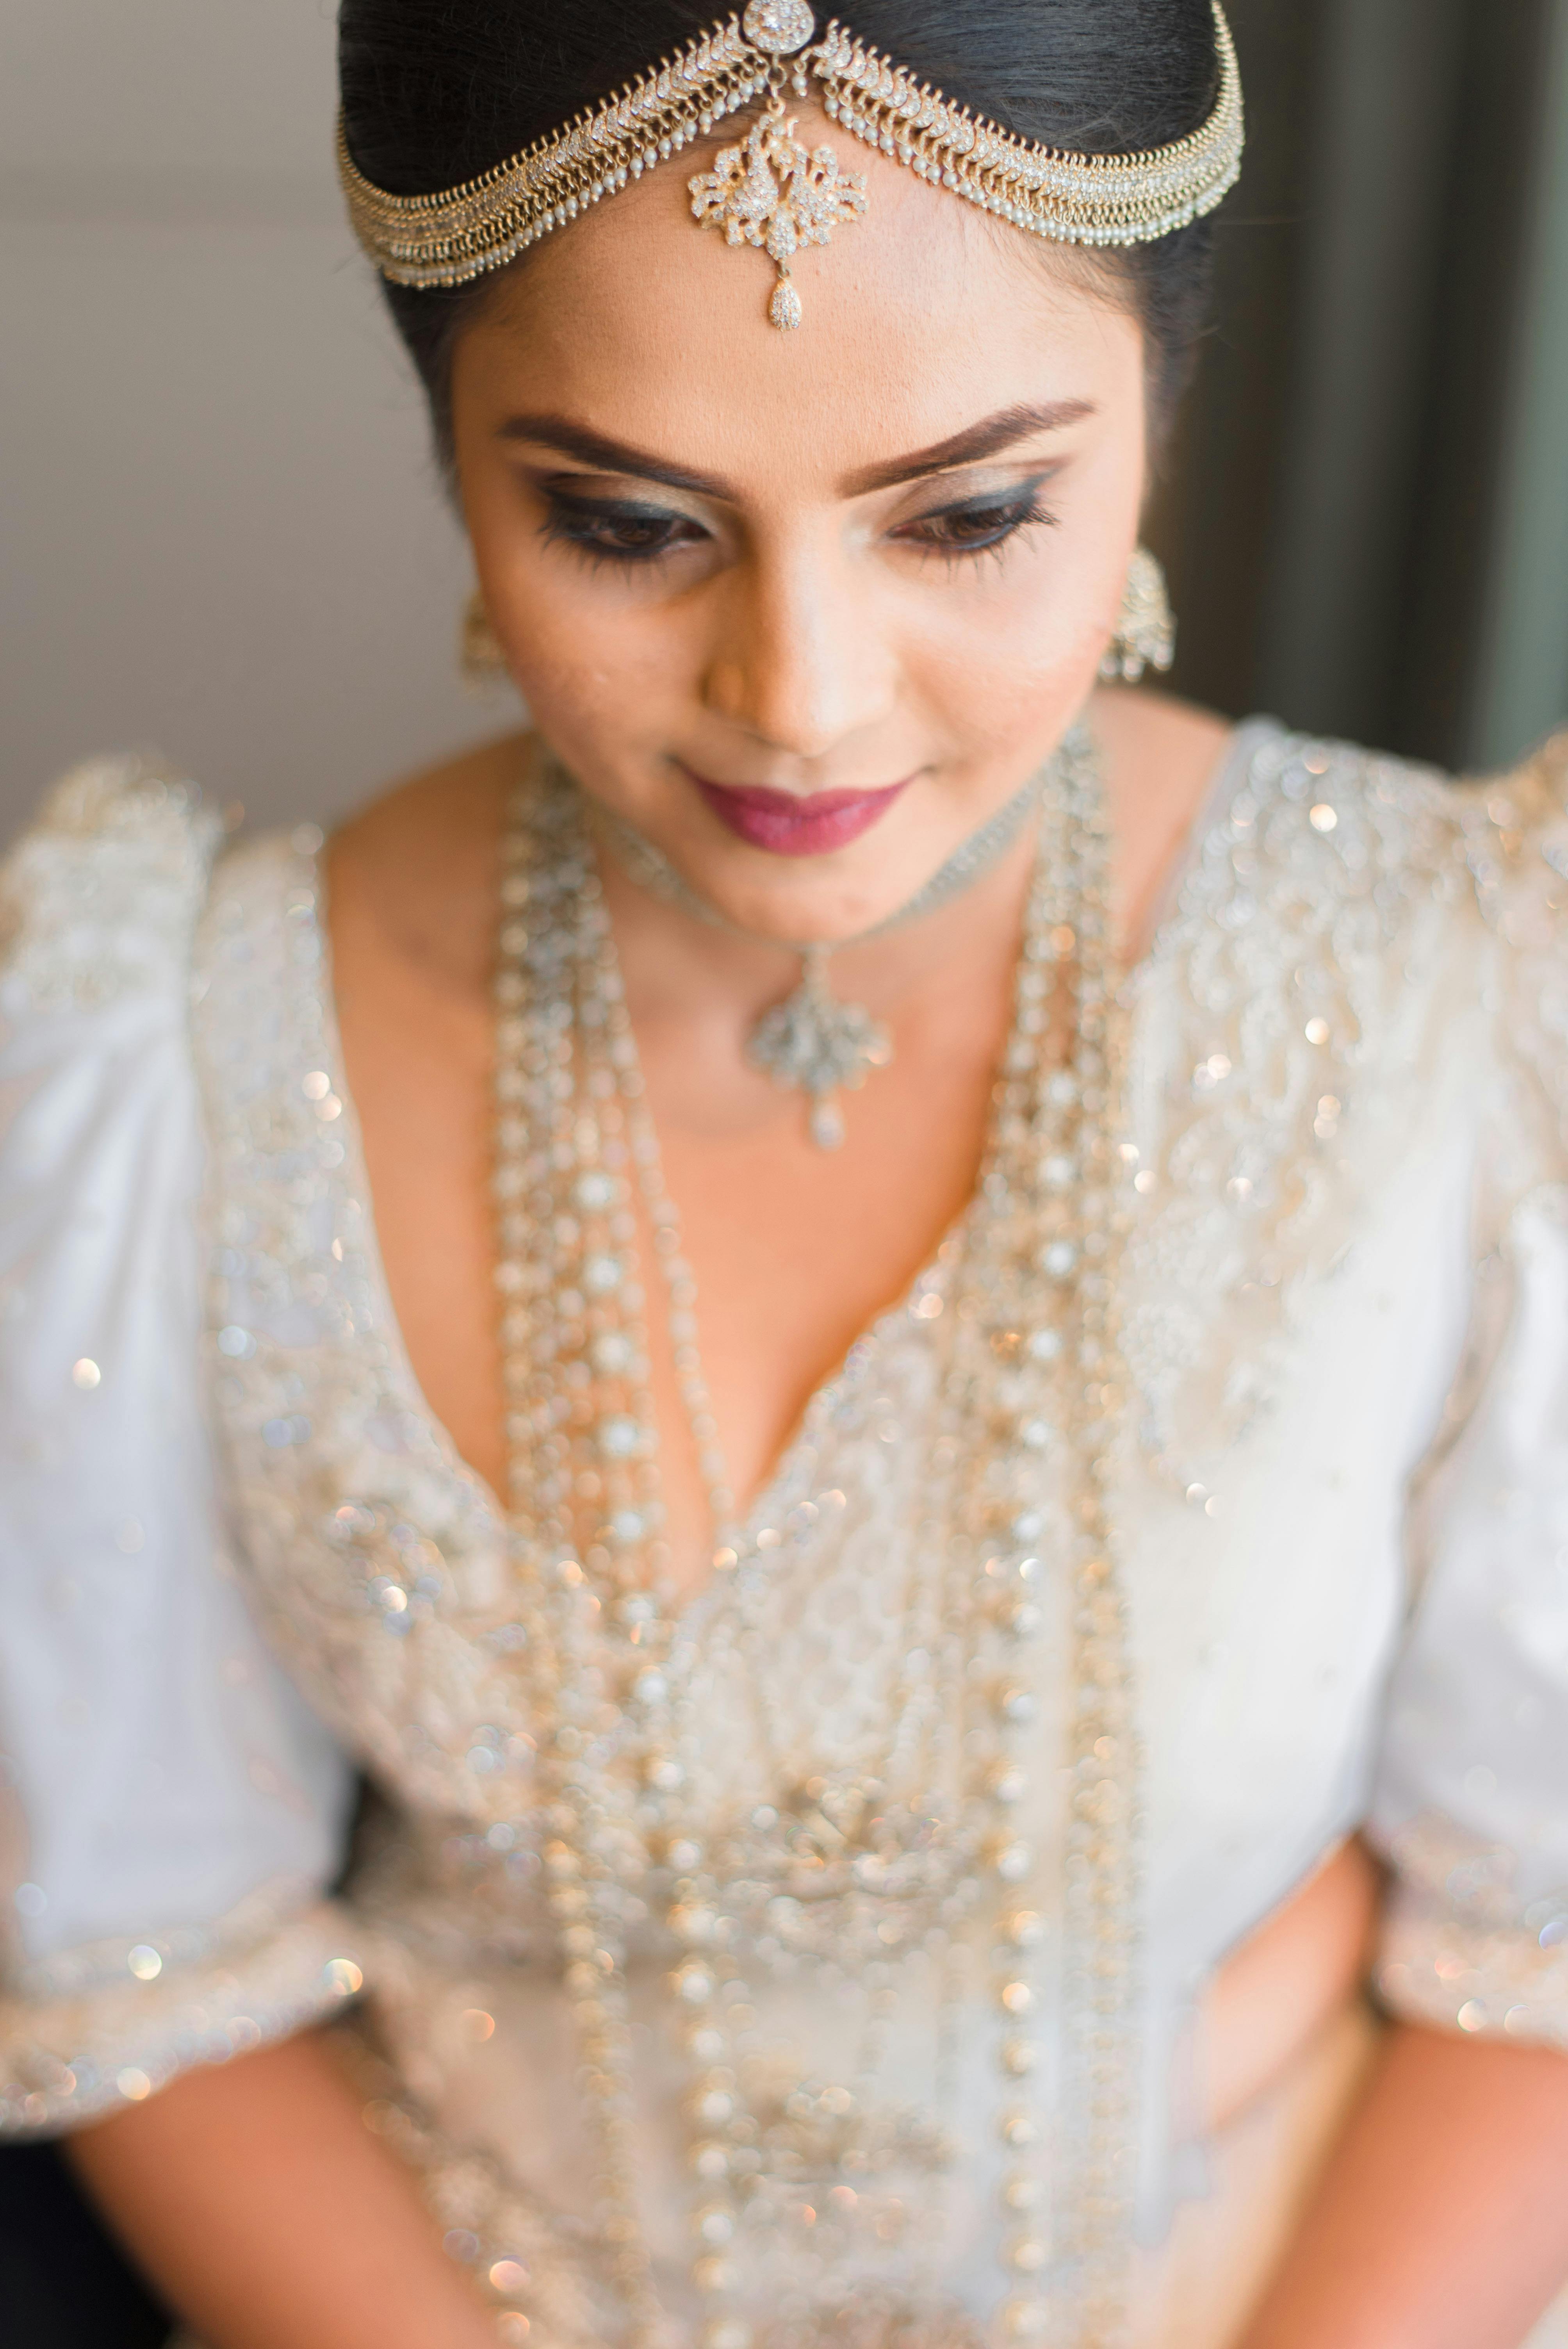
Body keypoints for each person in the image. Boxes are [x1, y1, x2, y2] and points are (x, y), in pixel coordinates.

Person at [3, 2, 1568, 2343]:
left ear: (1164, 402)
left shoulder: (1466, 986)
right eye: (627, 524)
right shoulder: (154, 1042)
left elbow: (1534, 1947)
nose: (804, 694)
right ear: (449, 448)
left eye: (967, 513)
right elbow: (150, 1962)